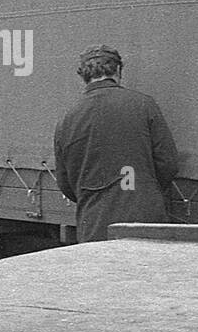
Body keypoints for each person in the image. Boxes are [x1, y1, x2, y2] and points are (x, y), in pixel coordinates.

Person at [53, 45, 180, 243]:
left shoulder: (67, 119)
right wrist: (144, 189)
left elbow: (65, 182)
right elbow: (168, 164)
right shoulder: (144, 104)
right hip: (144, 216)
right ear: (118, 71)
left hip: (94, 223)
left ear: (83, 76)